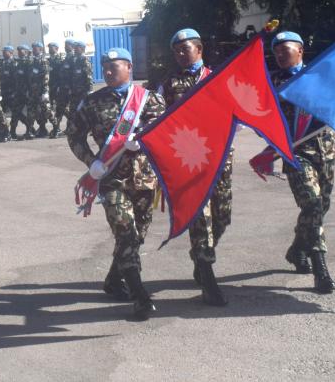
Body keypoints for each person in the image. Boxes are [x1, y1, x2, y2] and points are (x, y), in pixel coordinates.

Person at [65, 47, 163, 321]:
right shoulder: (92, 102)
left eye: (114, 67)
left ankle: (112, 279)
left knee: (138, 234)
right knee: (125, 232)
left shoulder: (151, 100)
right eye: (105, 67)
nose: (108, 72)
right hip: (112, 179)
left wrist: (145, 142)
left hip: (144, 179)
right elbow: (74, 135)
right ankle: (140, 295)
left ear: (129, 67)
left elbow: (168, 133)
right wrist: (90, 161)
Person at [253, 31, 335, 295]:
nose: (279, 55)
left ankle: (297, 248)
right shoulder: (272, 82)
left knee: (321, 205)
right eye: (275, 51)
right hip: (294, 152)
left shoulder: (319, 76)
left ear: (300, 50)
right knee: (311, 202)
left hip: (325, 149)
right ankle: (319, 266)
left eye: (284, 50)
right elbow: (261, 116)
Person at [157, 28, 230, 307]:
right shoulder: (167, 84)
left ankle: (201, 256)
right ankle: (207, 271)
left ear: (199, 50)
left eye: (184, 49)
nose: (179, 54)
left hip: (220, 158)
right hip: (189, 161)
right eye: (176, 50)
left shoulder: (217, 79)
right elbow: (157, 118)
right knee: (200, 216)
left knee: (221, 216)